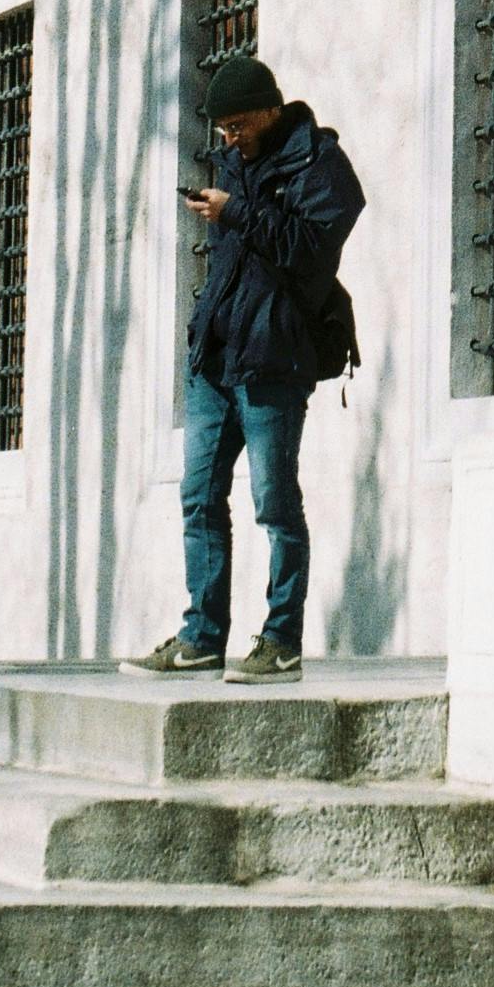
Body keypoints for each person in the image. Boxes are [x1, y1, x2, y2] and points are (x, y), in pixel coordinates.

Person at [129, 55, 364, 684]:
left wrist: (237, 212)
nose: (229, 140)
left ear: (269, 109)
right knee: (198, 498)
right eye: (223, 131)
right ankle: (202, 637)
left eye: (237, 126)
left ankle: (282, 640)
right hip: (215, 361)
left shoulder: (321, 166)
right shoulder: (238, 160)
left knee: (274, 505)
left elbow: (309, 252)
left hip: (275, 364)